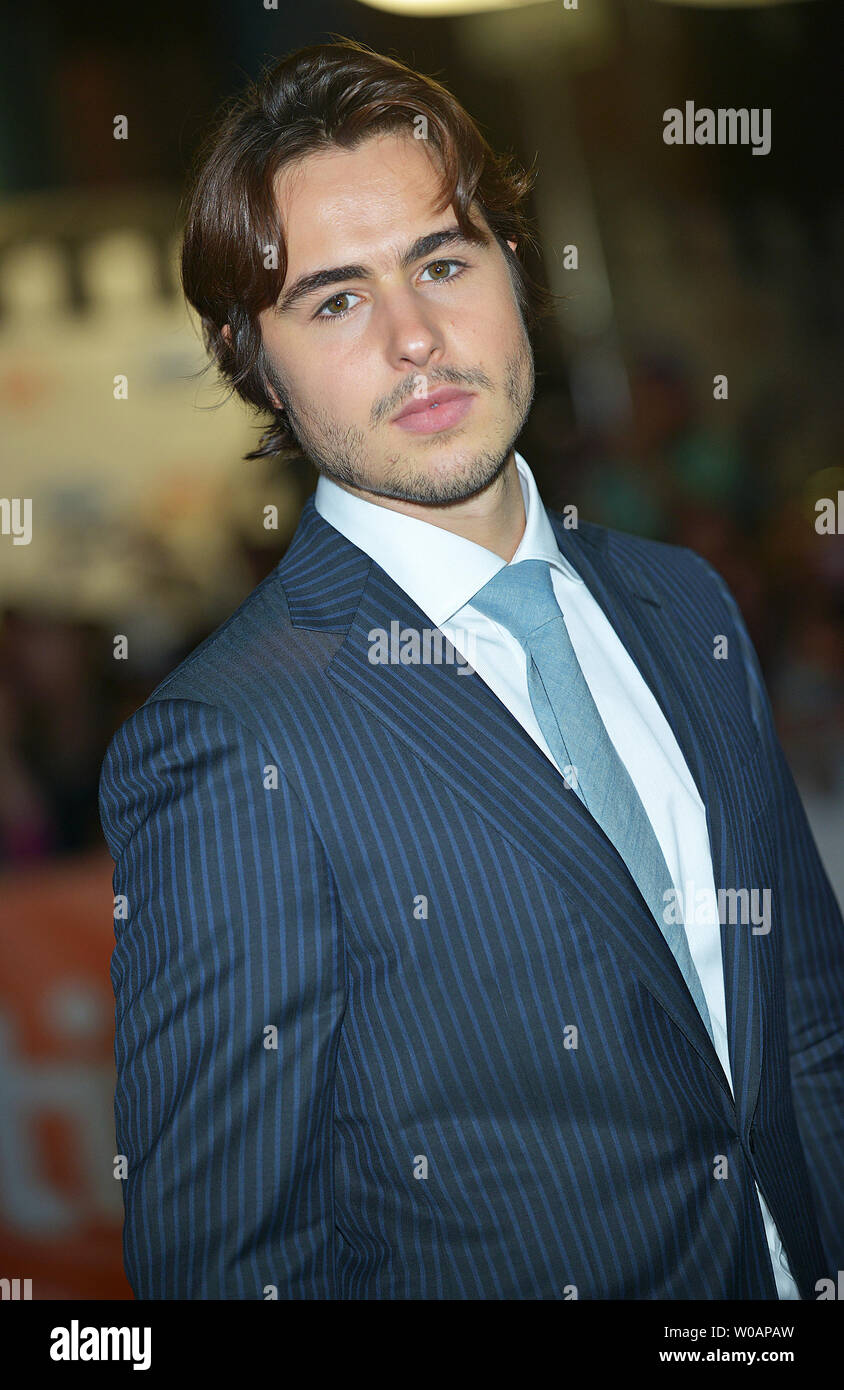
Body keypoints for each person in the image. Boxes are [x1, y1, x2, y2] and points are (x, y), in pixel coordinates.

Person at [98, 39, 842, 1300]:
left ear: (514, 271)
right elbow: (229, 1268)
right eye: (334, 299)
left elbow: (810, 1025)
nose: (414, 338)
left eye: (442, 262)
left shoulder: (682, 602)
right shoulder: (233, 740)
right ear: (251, 358)